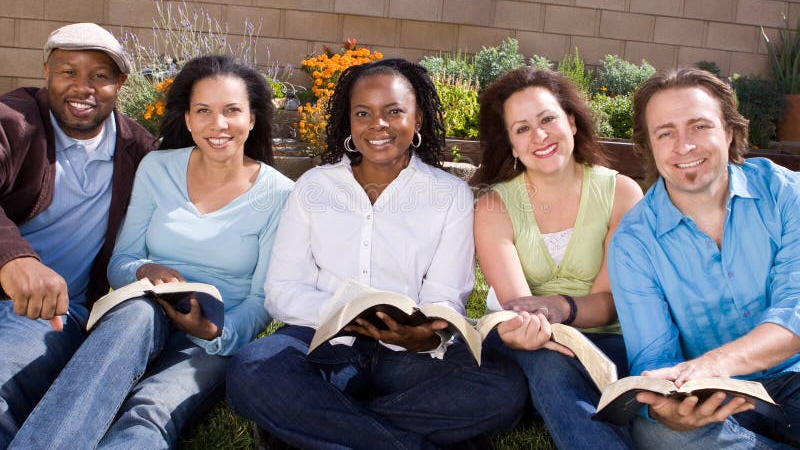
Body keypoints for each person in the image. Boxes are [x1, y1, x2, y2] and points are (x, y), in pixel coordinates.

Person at [227, 58, 527, 449]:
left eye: (394, 112)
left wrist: (421, 337)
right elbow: (282, 289)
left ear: (417, 119)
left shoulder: (448, 195)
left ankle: (314, 423)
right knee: (252, 370)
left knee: (503, 389)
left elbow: (445, 296)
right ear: (349, 122)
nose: (377, 125)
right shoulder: (314, 187)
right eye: (363, 113)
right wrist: (346, 315)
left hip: (408, 355)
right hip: (321, 341)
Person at [10, 55, 293, 449]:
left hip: (214, 336)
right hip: (145, 313)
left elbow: (264, 297)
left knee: (149, 408)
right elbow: (120, 262)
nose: (219, 124)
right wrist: (145, 270)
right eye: (204, 111)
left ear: (252, 119)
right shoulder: (157, 168)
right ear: (189, 119)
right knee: (111, 352)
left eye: (232, 111)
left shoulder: (280, 194)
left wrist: (217, 332)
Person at [608, 67, 800, 449]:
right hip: (715, 400)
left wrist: (714, 364)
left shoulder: (785, 194)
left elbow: (795, 313)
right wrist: (670, 410)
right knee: (657, 433)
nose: (684, 146)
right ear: (648, 145)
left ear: (729, 132)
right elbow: (655, 357)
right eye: (666, 133)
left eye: (699, 126)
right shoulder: (632, 242)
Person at [471, 67, 642, 449]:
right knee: (547, 361)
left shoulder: (621, 193)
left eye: (548, 119)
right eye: (522, 129)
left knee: (560, 366)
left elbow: (610, 303)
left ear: (572, 121)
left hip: (606, 343)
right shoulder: (494, 207)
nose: (540, 136)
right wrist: (534, 327)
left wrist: (561, 309)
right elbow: (519, 308)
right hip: (524, 340)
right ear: (512, 145)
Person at [0, 22, 154, 446]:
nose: (82, 88)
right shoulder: (12, 121)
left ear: (120, 84)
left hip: (50, 315)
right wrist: (15, 258)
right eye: (68, 72)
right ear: (46, 71)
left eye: (99, 76)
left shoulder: (140, 151)